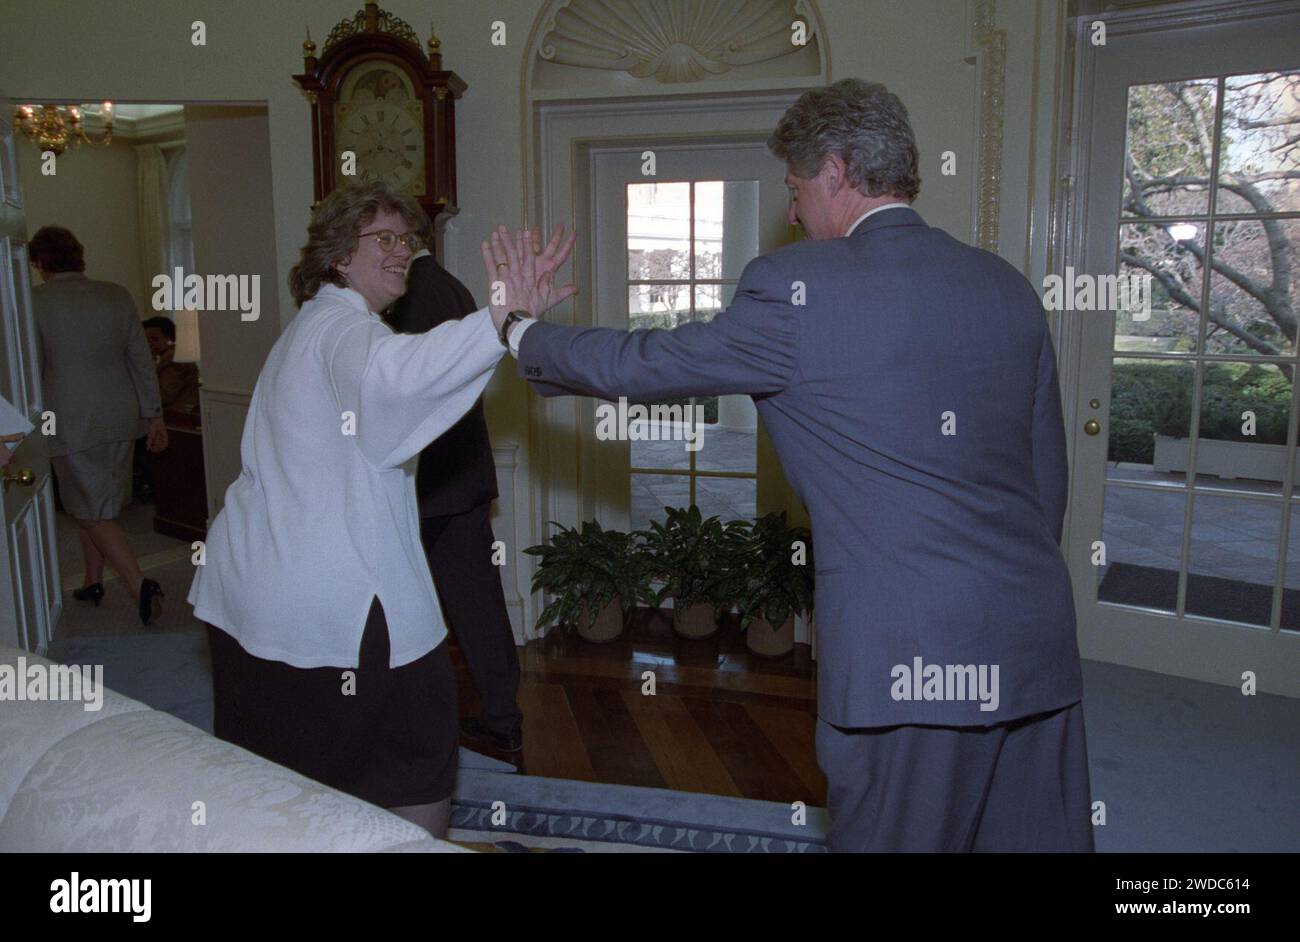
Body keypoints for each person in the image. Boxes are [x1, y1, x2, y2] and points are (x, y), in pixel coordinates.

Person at [501, 79, 1093, 852]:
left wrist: (519, 330)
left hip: (906, 664)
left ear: (837, 173)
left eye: (795, 187)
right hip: (1035, 640)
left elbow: (650, 361)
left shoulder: (795, 290)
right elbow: (1046, 486)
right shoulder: (1008, 287)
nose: (792, 211)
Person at [187, 181, 572, 837]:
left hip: (251, 598)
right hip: (328, 611)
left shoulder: (311, 328)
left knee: (282, 789)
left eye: (407, 238)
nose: (402, 252)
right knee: (418, 756)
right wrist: (499, 322)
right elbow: (394, 378)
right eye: (384, 238)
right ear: (339, 255)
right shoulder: (342, 331)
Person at [384, 230, 523, 756]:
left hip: (438, 483)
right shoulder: (448, 284)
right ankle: (501, 714)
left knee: (465, 604)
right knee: (478, 600)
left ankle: (500, 722)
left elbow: (415, 394)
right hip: (457, 478)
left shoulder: (415, 294)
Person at [30, 226, 168, 625]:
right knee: (94, 501)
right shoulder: (116, 293)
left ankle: (138, 582)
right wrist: (154, 414)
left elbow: (32, 368)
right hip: (120, 413)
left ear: (40, 262)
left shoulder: (34, 302)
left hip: (67, 418)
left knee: (89, 507)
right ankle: (92, 580)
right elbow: (141, 360)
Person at [142, 315, 200, 412]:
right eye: (146, 340)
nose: (149, 344)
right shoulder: (175, 354)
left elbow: (165, 396)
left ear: (169, 339)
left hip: (177, 415)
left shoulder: (171, 358)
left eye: (154, 339)